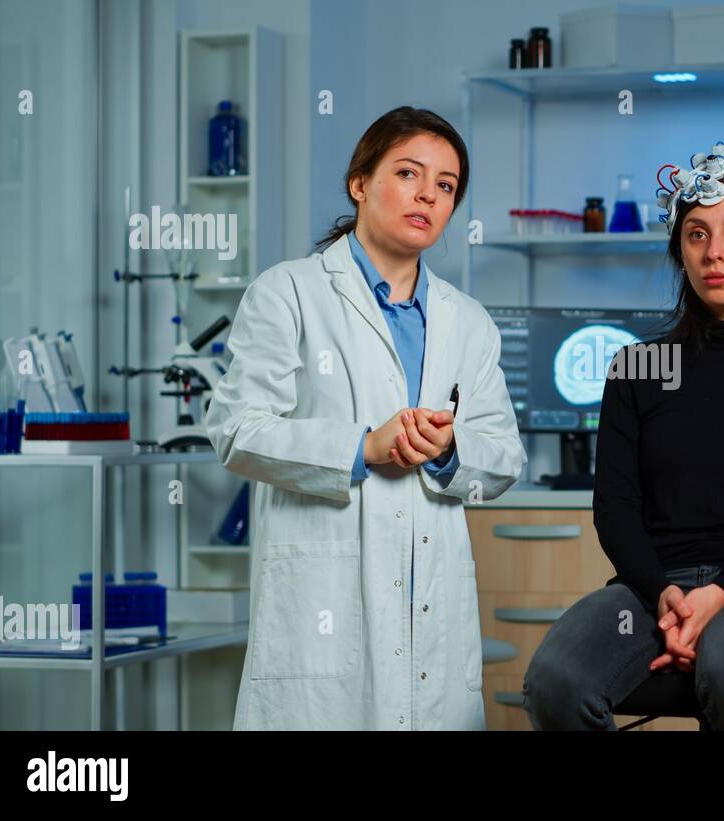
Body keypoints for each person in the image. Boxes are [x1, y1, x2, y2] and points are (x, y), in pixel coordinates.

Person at [205, 106, 526, 730]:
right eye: (409, 173)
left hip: (431, 593)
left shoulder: (468, 321)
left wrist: (450, 449)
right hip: (323, 598)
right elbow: (237, 429)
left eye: (446, 186)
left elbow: (504, 456)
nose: (428, 195)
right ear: (360, 183)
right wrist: (363, 448)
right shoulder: (288, 293)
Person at [523, 143, 724, 730]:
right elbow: (616, 511)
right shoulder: (636, 368)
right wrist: (665, 596)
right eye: (697, 235)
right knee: (557, 681)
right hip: (654, 593)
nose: (715, 252)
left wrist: (723, 595)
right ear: (680, 250)